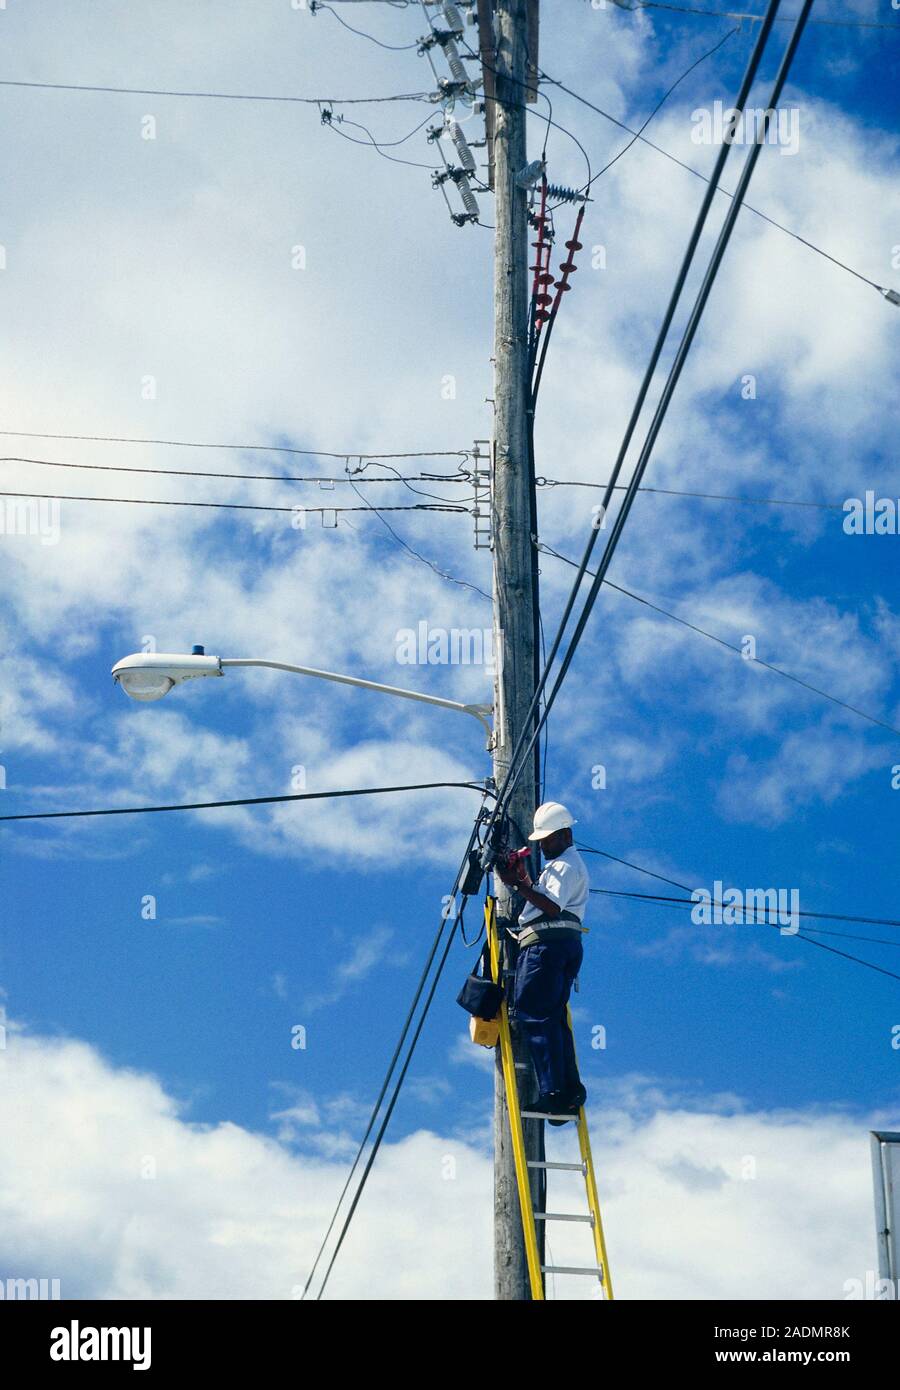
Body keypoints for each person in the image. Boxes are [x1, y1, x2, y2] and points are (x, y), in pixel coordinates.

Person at [496, 801, 588, 1124]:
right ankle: (570, 1089)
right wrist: (527, 883)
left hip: (546, 948)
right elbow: (547, 899)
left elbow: (550, 907)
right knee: (554, 1017)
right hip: (563, 946)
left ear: (565, 834)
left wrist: (517, 884)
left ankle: (552, 1092)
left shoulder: (564, 865)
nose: (544, 845)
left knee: (534, 1014)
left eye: (548, 839)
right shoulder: (566, 865)